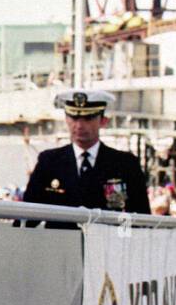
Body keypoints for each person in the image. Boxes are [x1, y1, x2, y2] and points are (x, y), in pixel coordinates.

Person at [21, 89, 150, 215]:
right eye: (74, 118)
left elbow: (141, 217)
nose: (79, 126)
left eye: (87, 118)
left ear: (103, 121)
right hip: (61, 237)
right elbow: (27, 216)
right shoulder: (49, 162)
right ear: (66, 119)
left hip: (107, 236)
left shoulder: (125, 164)